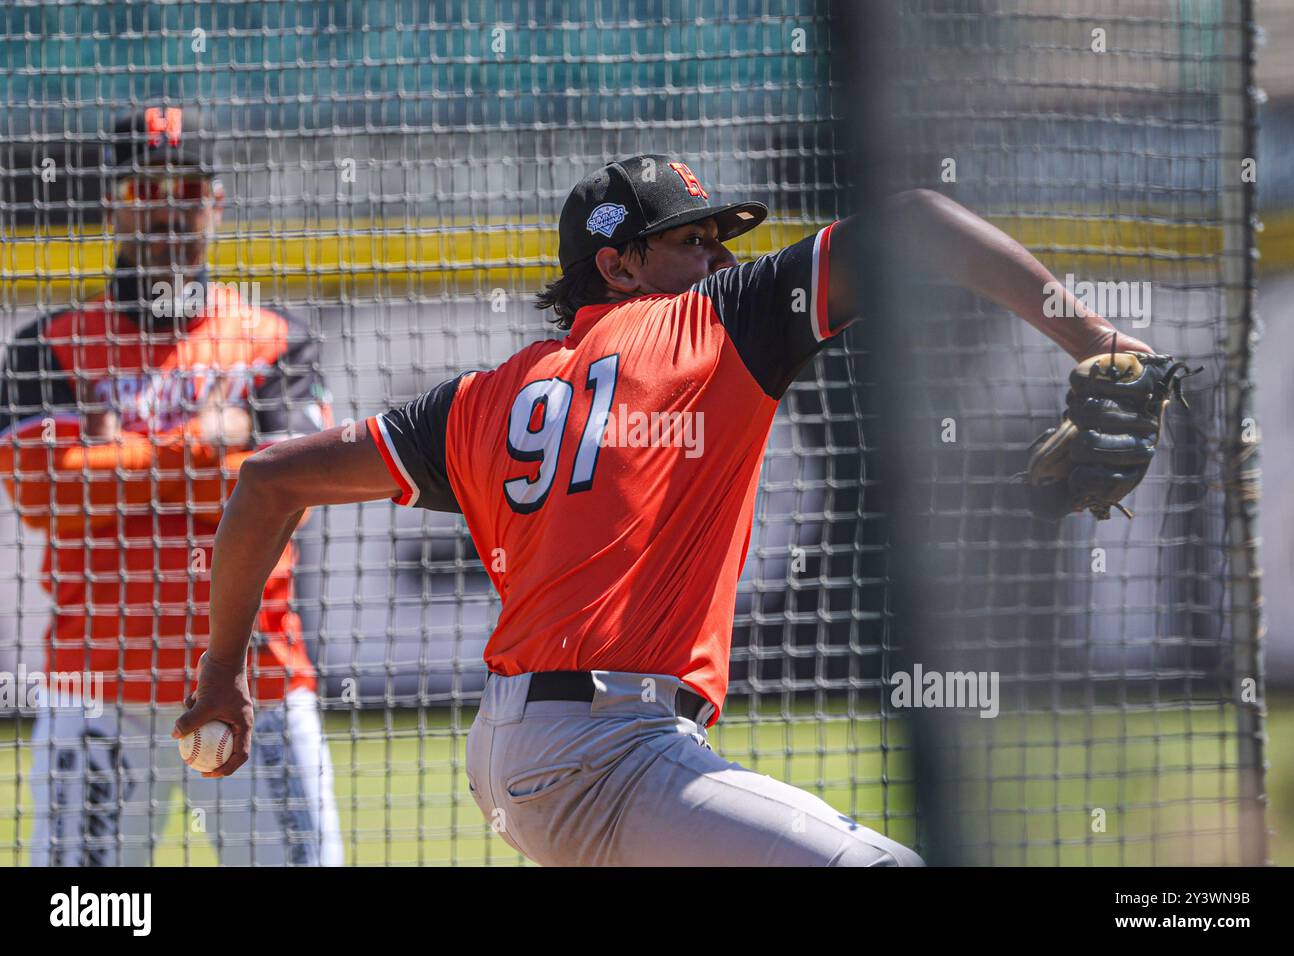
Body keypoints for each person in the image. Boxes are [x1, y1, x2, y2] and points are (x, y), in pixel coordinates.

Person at [178, 154, 1151, 866]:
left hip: (537, 747)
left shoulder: (477, 399)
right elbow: (920, 219)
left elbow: (268, 479)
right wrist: (1098, 339)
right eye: (693, 241)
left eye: (720, 243)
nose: (719, 259)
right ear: (618, 266)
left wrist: (221, 671)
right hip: (606, 746)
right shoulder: (710, 324)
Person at [0, 107, 342, 865]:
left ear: (215, 203)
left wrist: (118, 455)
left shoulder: (275, 339)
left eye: (186, 188)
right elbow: (44, 496)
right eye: (143, 189)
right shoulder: (49, 346)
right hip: (96, 691)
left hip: (260, 684)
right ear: (111, 204)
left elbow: (293, 497)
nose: (166, 207)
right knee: (82, 917)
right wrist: (207, 445)